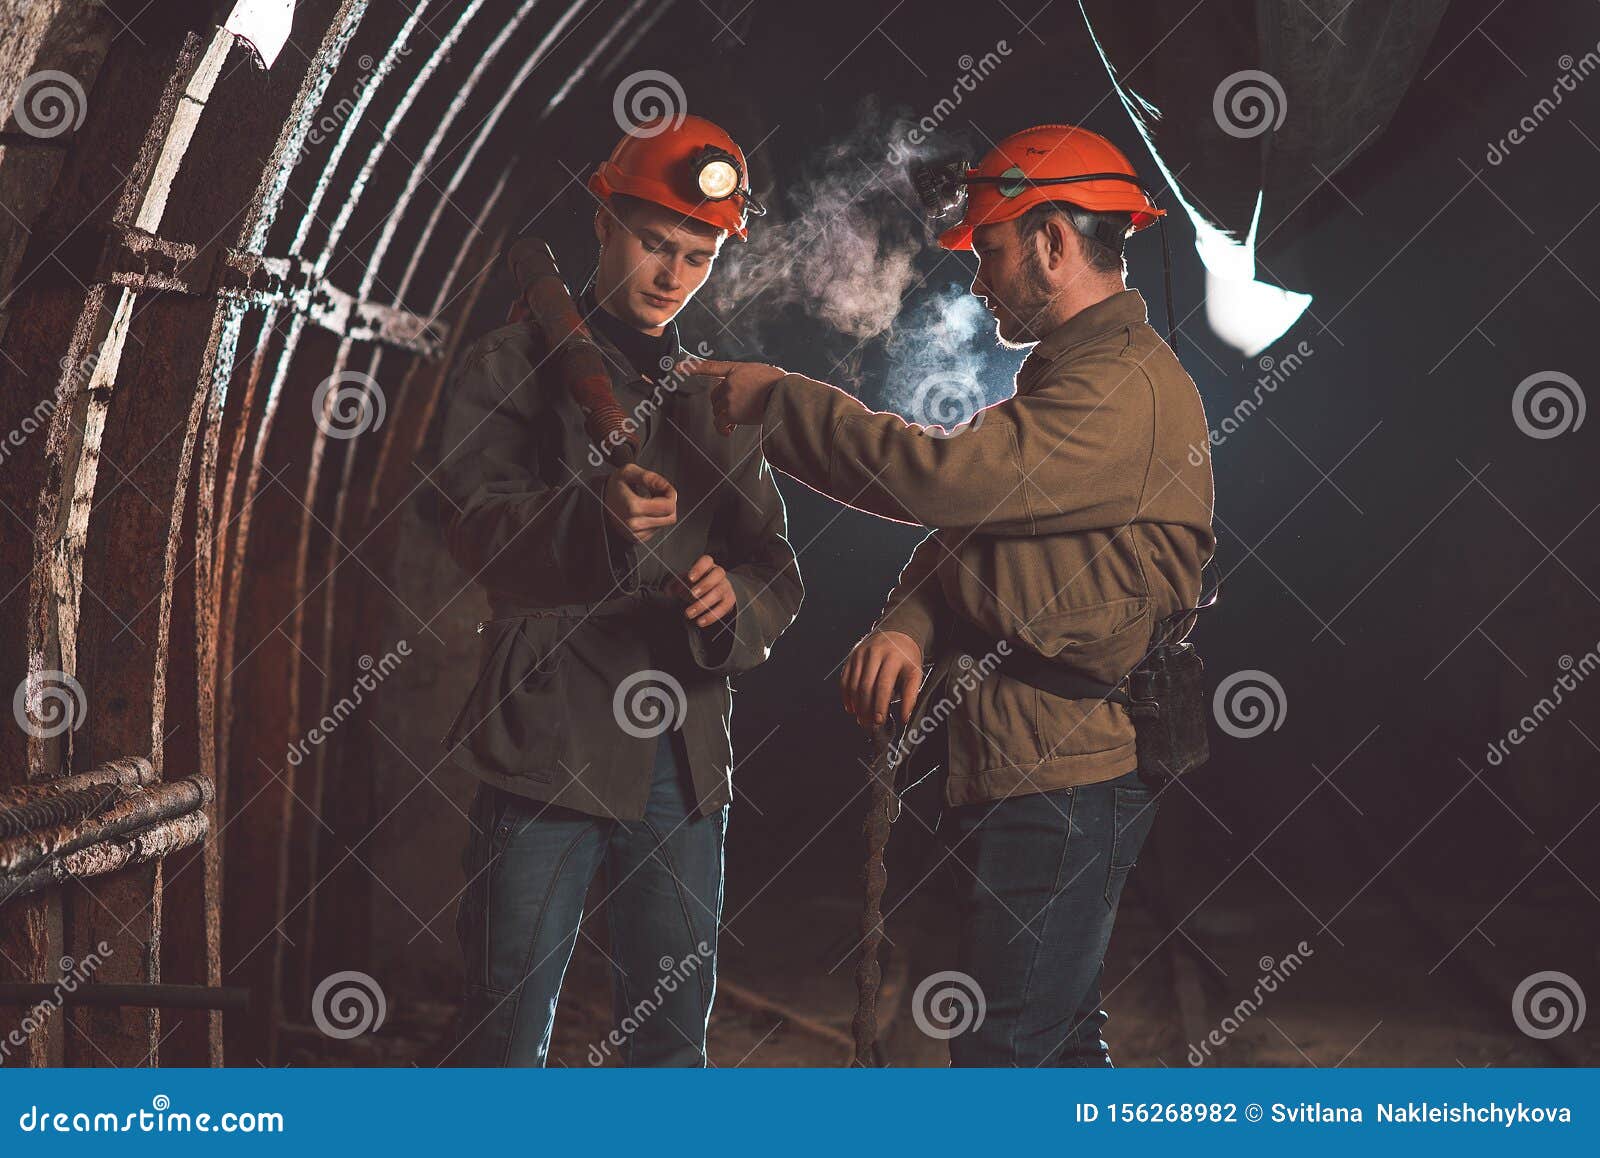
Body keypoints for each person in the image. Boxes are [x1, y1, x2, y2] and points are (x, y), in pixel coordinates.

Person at [689, 124, 1215, 1066]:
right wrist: (907, 626)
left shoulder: (1117, 390)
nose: (978, 277)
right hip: (1033, 762)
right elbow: (981, 539)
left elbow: (940, 484)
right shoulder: (1077, 377)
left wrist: (778, 400)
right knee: (1046, 1046)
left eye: (995, 248)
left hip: (1068, 774)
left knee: (1006, 1052)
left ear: (1053, 241)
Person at [434, 115, 802, 1066]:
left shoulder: (711, 394)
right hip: (550, 740)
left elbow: (774, 567)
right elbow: (475, 531)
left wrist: (737, 603)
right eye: (654, 243)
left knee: (672, 1048)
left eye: (698, 254)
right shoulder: (509, 369)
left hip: (681, 760)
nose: (673, 275)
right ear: (604, 223)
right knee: (502, 1033)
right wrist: (589, 514)